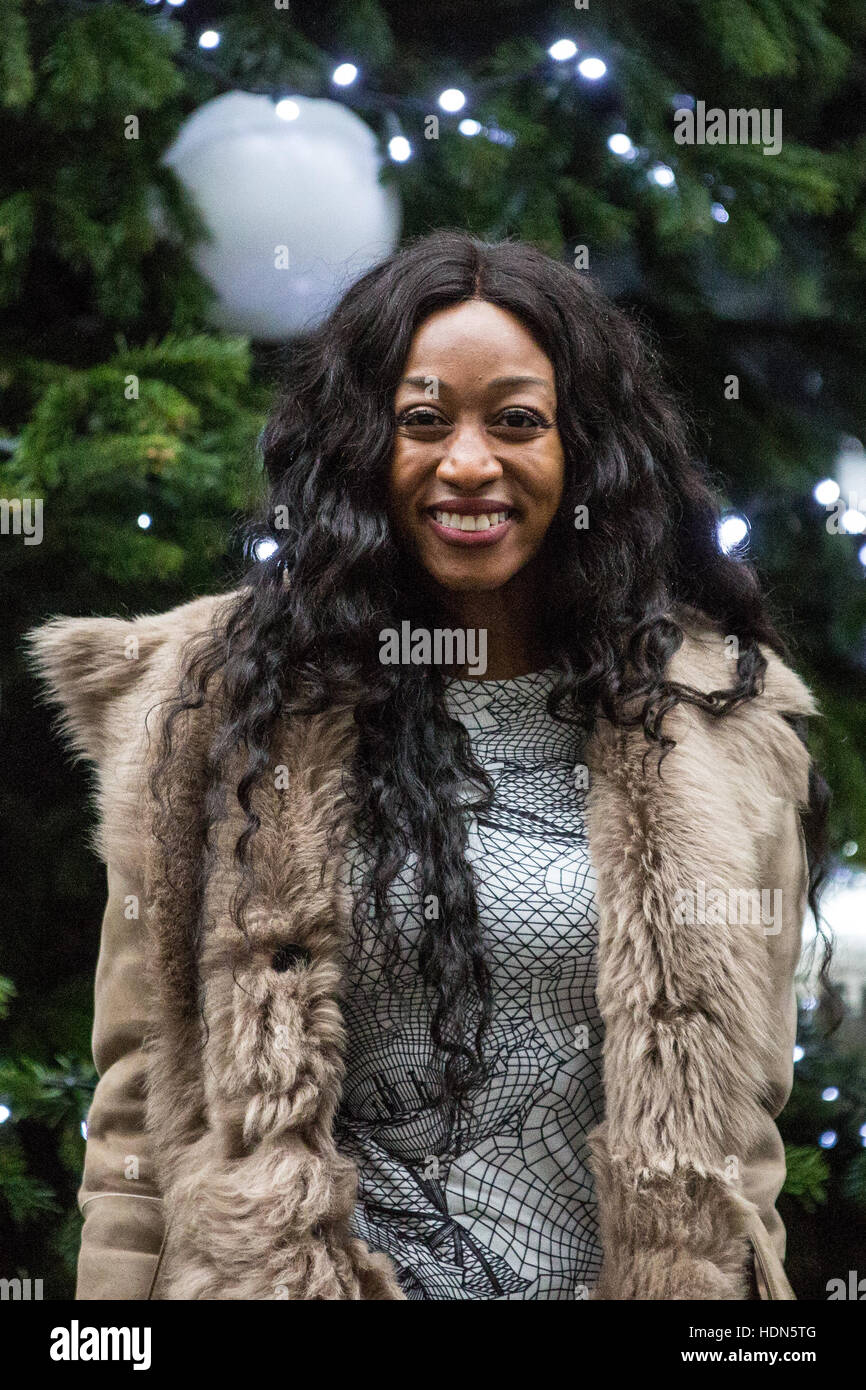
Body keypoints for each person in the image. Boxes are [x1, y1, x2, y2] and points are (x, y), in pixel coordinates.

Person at [27, 229, 827, 1301]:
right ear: (363, 446)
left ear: (581, 450)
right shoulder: (214, 705)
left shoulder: (717, 728)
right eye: (420, 420)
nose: (466, 462)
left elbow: (742, 1140)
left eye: (514, 421)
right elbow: (135, 1113)